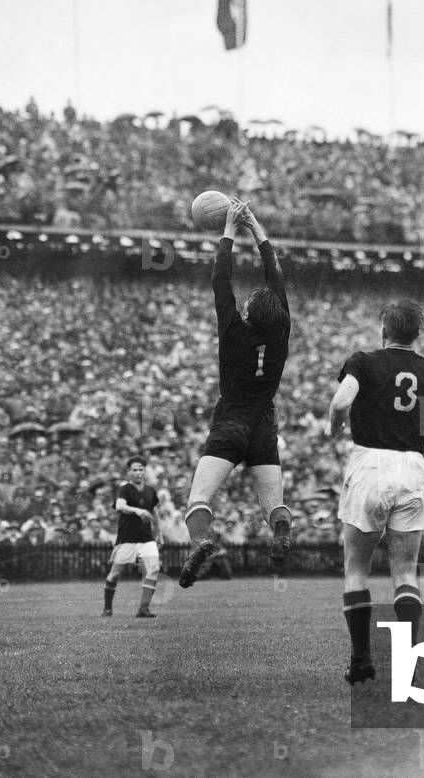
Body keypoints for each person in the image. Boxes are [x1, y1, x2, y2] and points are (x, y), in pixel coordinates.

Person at [326, 299, 424, 685]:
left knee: (357, 568)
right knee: (406, 572)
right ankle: (407, 665)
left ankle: (361, 661)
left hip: (371, 462)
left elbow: (341, 401)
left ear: (384, 331)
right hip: (413, 468)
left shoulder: (365, 361)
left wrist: (334, 427)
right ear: (416, 335)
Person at [179, 199, 293, 588]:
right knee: (273, 506)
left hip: (231, 420)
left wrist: (229, 228)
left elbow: (219, 280)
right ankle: (279, 531)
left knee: (200, 498)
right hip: (264, 422)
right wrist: (255, 226)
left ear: (245, 313)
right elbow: (274, 274)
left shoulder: (232, 330)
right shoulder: (281, 331)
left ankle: (201, 540)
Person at [103, 456, 163, 617]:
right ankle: (107, 608)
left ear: (145, 471)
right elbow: (120, 506)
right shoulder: (125, 489)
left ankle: (143, 609)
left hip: (146, 537)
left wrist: (160, 533)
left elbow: (155, 513)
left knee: (154, 569)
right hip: (127, 538)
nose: (138, 473)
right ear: (129, 472)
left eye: (141, 469)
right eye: (134, 470)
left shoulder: (151, 490)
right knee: (115, 575)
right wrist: (137, 510)